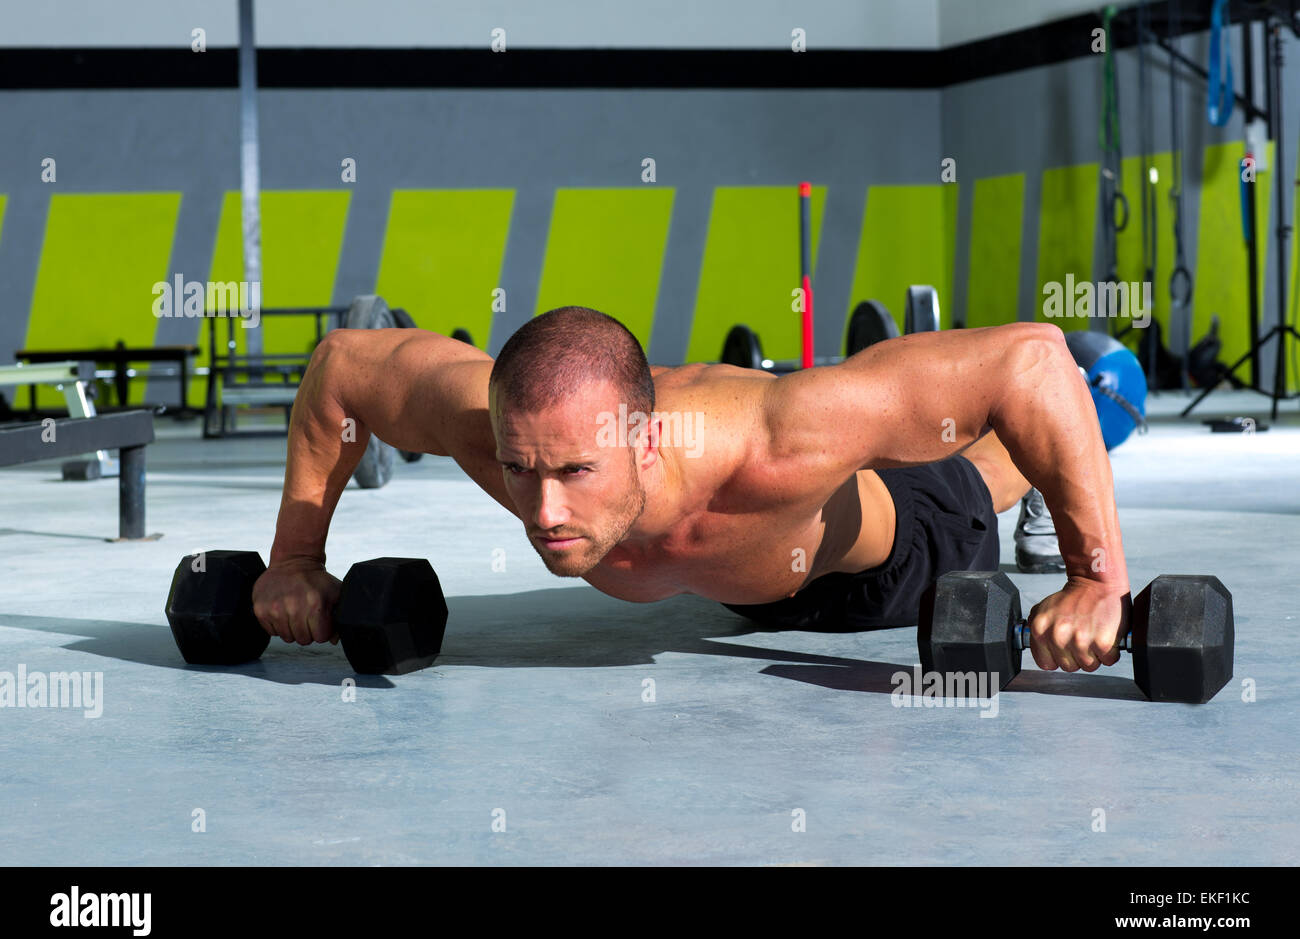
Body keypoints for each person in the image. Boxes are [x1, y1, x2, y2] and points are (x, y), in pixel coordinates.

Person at [253, 306, 1131, 675]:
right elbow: (341, 366)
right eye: (522, 470)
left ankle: (1100, 410)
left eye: (573, 474)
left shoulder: (775, 439)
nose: (542, 513)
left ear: (645, 440)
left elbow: (1029, 358)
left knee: (972, 471)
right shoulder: (491, 428)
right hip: (740, 579)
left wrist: (1097, 580)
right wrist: (295, 560)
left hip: (888, 559)